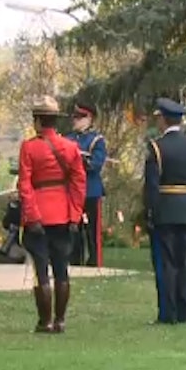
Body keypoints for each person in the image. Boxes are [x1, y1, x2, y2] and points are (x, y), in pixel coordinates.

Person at [17, 97, 87, 333]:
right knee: (61, 269)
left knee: (41, 270)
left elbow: (25, 186)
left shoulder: (29, 147)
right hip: (64, 214)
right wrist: (75, 214)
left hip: (39, 214)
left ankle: (44, 321)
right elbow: (79, 183)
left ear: (38, 121)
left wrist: (32, 215)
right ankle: (60, 320)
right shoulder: (70, 147)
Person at [144, 98, 186, 325]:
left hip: (166, 211)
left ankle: (167, 313)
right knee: (185, 263)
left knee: (166, 264)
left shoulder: (157, 148)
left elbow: (152, 187)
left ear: (163, 119)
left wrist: (151, 213)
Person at [66, 102, 107, 267]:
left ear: (89, 119)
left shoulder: (97, 140)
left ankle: (95, 260)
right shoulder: (67, 139)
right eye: (75, 117)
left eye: (80, 117)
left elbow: (95, 164)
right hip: (72, 191)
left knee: (93, 230)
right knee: (73, 228)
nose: (75, 121)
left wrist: (78, 160)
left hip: (91, 190)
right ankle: (74, 259)